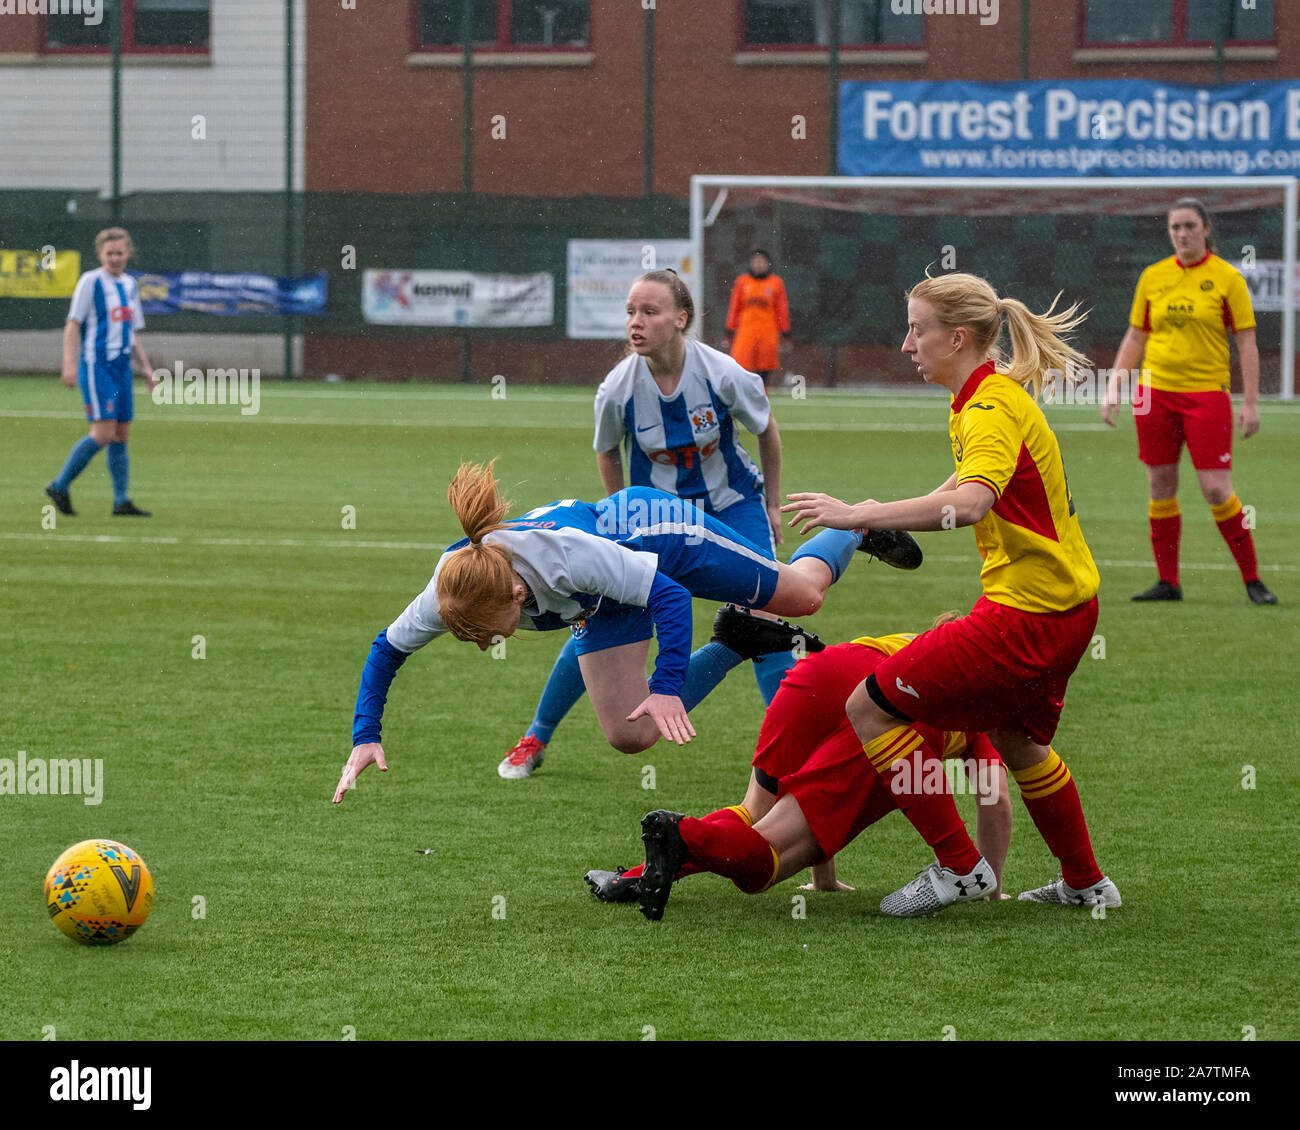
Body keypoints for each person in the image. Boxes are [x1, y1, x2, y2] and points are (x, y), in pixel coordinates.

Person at [784, 272, 1121, 913]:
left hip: (1025, 616)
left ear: (958, 337)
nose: (907, 343)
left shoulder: (988, 408)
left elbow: (969, 504)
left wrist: (859, 515)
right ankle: (1085, 882)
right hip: (1071, 608)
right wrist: (876, 511)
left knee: (869, 707)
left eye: (918, 329)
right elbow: (962, 483)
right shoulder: (986, 395)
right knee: (1018, 741)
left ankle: (961, 867)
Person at [496, 269, 919, 780]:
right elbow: (607, 451)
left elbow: (766, 429)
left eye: (649, 311)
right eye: (630, 312)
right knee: (593, 615)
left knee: (767, 616)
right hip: (654, 522)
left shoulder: (722, 373)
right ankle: (536, 736)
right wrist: (610, 527)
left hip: (731, 506)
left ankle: (794, 755)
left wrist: (771, 503)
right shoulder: (616, 390)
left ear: (681, 318)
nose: (635, 322)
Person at [332, 460, 916, 804]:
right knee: (630, 734)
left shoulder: (565, 560)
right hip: (608, 591)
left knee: (804, 596)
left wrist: (666, 686)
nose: (484, 644)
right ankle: (738, 639)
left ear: (517, 594)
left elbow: (669, 595)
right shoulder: (452, 591)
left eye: (486, 634)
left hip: (658, 533)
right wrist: (365, 734)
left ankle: (855, 524)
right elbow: (386, 649)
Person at [582, 628, 1012, 923]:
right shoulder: (974, 701)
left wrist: (824, 881)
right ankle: (685, 833)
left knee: (754, 810)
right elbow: (995, 799)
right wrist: (990, 887)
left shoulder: (922, 644)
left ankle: (632, 878)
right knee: (767, 863)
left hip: (818, 673)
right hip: (889, 708)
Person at [1102, 197, 1276, 605]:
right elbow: (1136, 336)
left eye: (1189, 226)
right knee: (1160, 484)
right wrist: (1114, 386)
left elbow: (1246, 341)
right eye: (1175, 227)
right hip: (1154, 394)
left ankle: (1253, 579)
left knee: (1215, 489)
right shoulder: (1153, 276)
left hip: (1206, 395)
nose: (1182, 234)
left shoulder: (1227, 278)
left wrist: (1250, 402)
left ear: (1206, 229)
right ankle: (1168, 583)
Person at [45, 227, 155, 518]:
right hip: (97, 366)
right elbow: (73, 324)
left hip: (121, 367)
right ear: (100, 254)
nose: (115, 258)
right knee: (103, 432)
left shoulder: (130, 285)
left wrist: (146, 368)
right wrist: (69, 364)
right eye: (110, 253)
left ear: (128, 253)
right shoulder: (91, 281)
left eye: (119, 252)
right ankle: (59, 485)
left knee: (121, 433)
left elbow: (131, 333)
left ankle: (121, 502)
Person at [725, 249, 791, 389]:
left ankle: (762, 396)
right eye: (756, 261)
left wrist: (785, 332)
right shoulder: (742, 282)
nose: (759, 265)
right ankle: (743, 396)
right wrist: (729, 329)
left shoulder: (776, 283)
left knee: (764, 368)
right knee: (741, 365)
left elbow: (781, 309)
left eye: (762, 262)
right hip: (746, 332)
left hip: (767, 332)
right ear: (751, 264)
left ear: (768, 264)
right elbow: (735, 307)